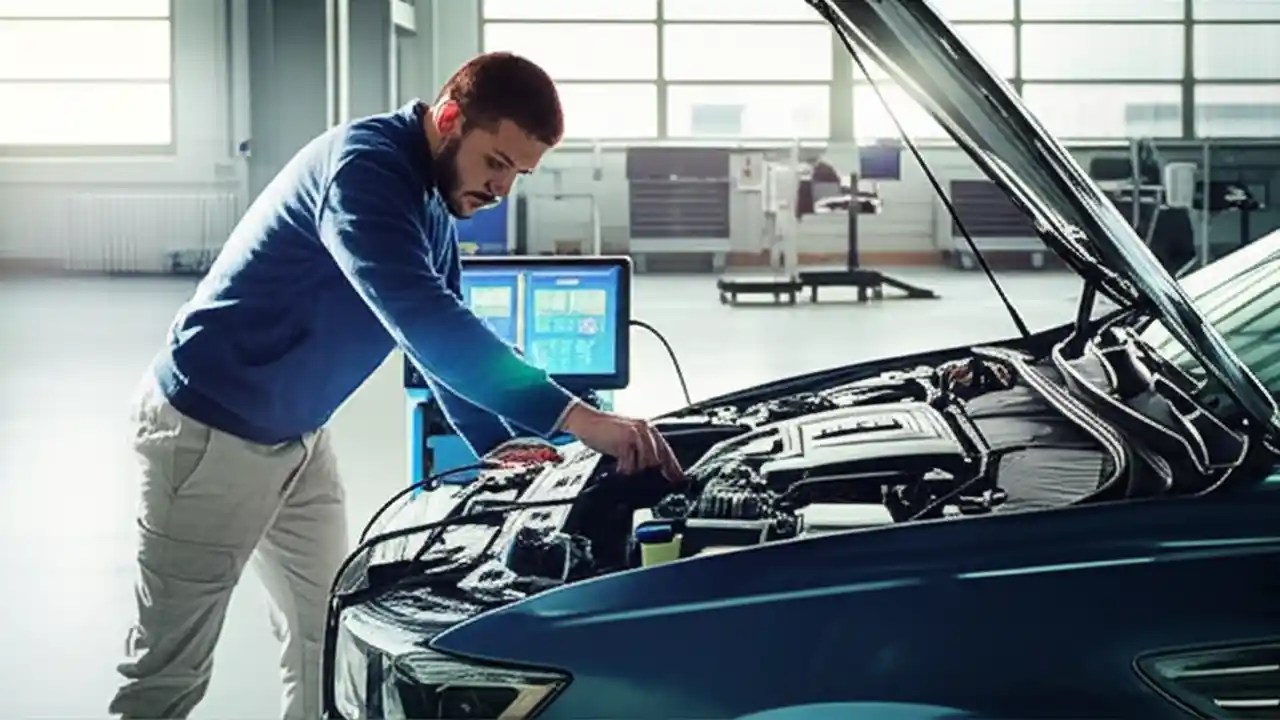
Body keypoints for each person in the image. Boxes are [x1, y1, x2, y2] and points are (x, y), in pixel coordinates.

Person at [109, 51, 684, 720]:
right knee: (168, 676)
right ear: (447, 119)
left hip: (298, 440)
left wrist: (512, 451)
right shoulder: (365, 172)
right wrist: (581, 419)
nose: (502, 190)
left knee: (321, 641)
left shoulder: (436, 206)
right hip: (207, 437)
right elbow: (428, 322)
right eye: (496, 162)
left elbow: (441, 347)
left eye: (519, 175)